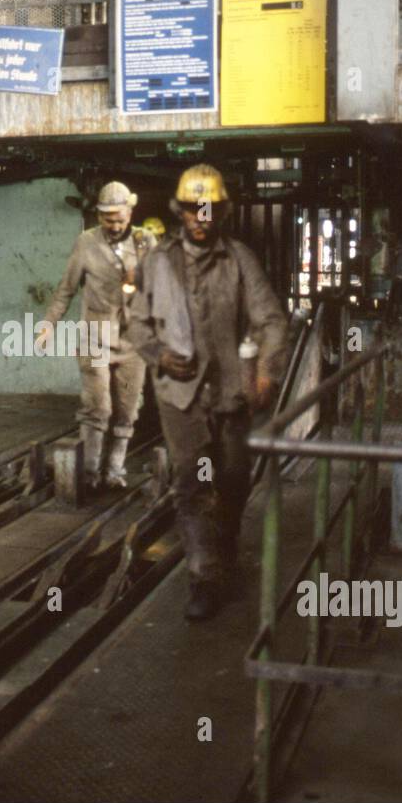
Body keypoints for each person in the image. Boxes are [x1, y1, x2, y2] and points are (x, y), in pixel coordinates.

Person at [127, 164, 289, 621]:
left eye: (210, 209)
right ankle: (204, 577)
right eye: (194, 209)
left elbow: (271, 320)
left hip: (230, 395)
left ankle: (226, 550)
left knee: (234, 482)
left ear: (221, 211)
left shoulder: (238, 260)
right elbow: (137, 324)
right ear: (180, 212)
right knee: (193, 485)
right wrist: (159, 355)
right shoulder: (157, 263)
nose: (202, 217)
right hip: (180, 398)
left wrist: (266, 373)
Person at [43, 181, 157, 488]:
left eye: (120, 219)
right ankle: (90, 474)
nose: (115, 225)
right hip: (94, 336)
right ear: (99, 216)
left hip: (133, 342)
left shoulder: (146, 242)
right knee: (98, 407)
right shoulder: (86, 243)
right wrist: (48, 323)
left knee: (128, 410)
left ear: (130, 212)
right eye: (109, 220)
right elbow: (65, 289)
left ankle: (115, 471)